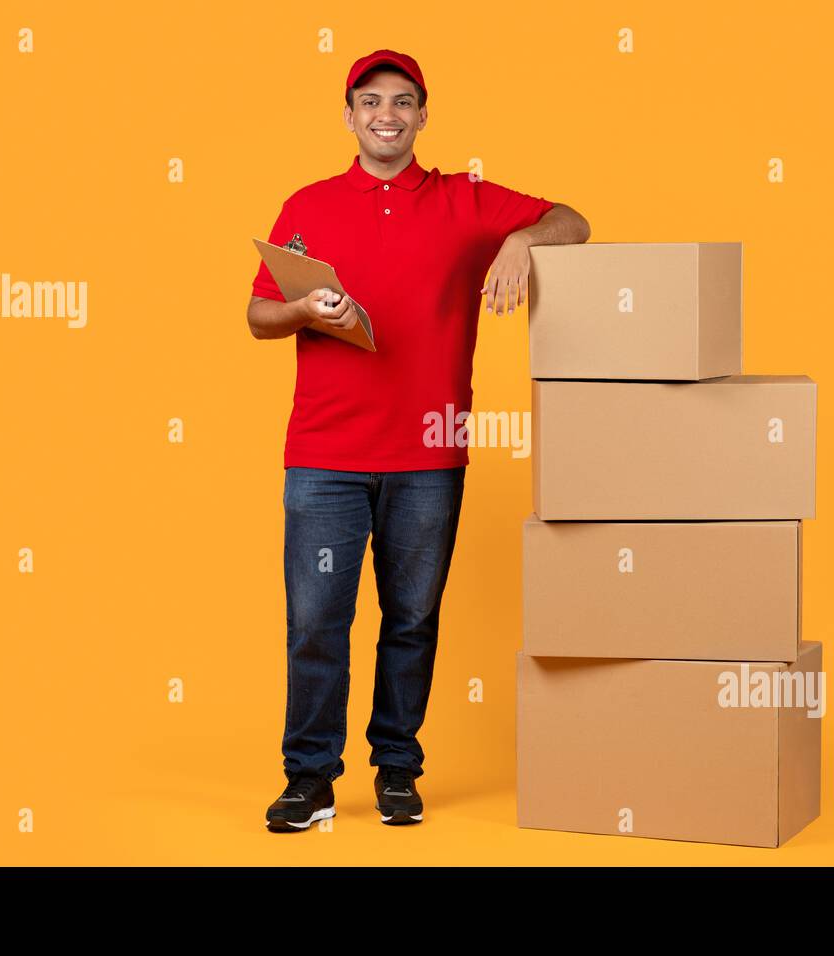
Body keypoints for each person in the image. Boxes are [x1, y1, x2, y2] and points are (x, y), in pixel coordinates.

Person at [246, 49, 590, 831]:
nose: (386, 116)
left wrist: (522, 242)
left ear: (423, 116)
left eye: (402, 103)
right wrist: (304, 313)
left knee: (412, 619)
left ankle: (397, 769)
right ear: (349, 116)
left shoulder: (467, 202)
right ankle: (310, 780)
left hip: (430, 456)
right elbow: (259, 315)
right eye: (371, 103)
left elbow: (576, 220)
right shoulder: (307, 205)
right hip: (325, 457)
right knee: (315, 621)